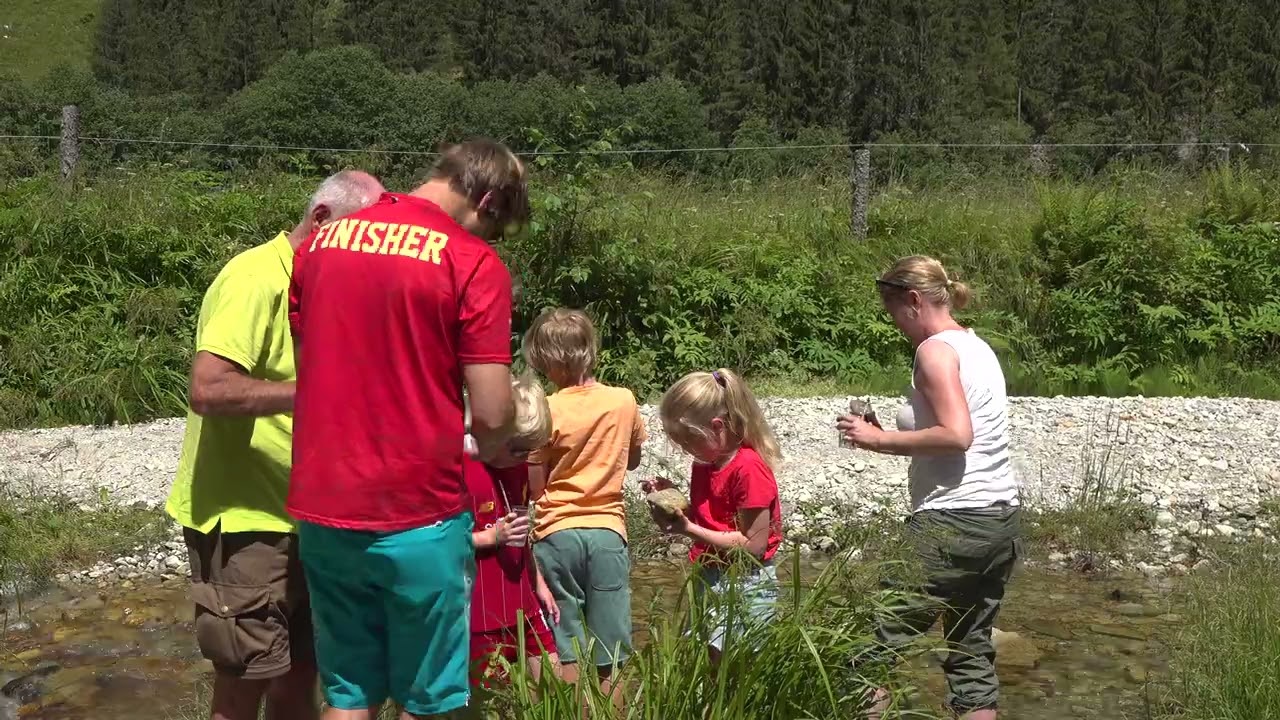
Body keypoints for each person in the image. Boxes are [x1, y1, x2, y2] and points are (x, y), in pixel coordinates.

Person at [286, 139, 529, 720]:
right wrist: (497, 444)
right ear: (488, 200)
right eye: (496, 227)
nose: (491, 239)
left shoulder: (320, 244)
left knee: (348, 693)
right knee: (430, 699)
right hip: (417, 510)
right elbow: (492, 414)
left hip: (323, 504)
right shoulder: (472, 261)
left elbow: (311, 364)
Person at [165, 170, 386, 720]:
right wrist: (316, 393)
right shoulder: (254, 277)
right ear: (321, 219)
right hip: (246, 522)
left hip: (311, 520)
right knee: (245, 686)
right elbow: (209, 388)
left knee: (301, 678)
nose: (367, 253)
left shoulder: (329, 286)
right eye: (359, 236)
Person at [837, 256, 1022, 720]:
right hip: (999, 520)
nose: (896, 324)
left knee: (868, 650)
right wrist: (885, 434)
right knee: (970, 653)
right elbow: (947, 434)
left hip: (952, 523)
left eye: (894, 312)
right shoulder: (976, 346)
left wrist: (876, 440)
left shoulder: (934, 351)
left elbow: (957, 435)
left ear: (914, 300)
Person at [522, 308, 647, 704]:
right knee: (613, 651)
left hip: (556, 533)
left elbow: (536, 489)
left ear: (545, 360)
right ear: (590, 349)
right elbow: (632, 460)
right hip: (608, 532)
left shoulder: (546, 409)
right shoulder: (623, 401)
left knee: (567, 646)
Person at [645, 368, 784, 663]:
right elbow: (712, 517)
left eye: (688, 441)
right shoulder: (706, 462)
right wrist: (671, 498)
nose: (685, 450)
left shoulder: (749, 469)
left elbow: (753, 545)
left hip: (746, 580)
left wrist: (688, 530)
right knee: (713, 661)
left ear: (717, 427)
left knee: (739, 662)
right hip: (711, 571)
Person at [464, 374, 561, 687]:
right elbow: (436, 538)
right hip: (482, 612)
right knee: (493, 696)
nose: (524, 458)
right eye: (517, 449)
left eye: (530, 450)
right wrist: (491, 537)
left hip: (523, 601)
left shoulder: (517, 469)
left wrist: (539, 582)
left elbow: (522, 535)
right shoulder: (463, 467)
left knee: (552, 684)